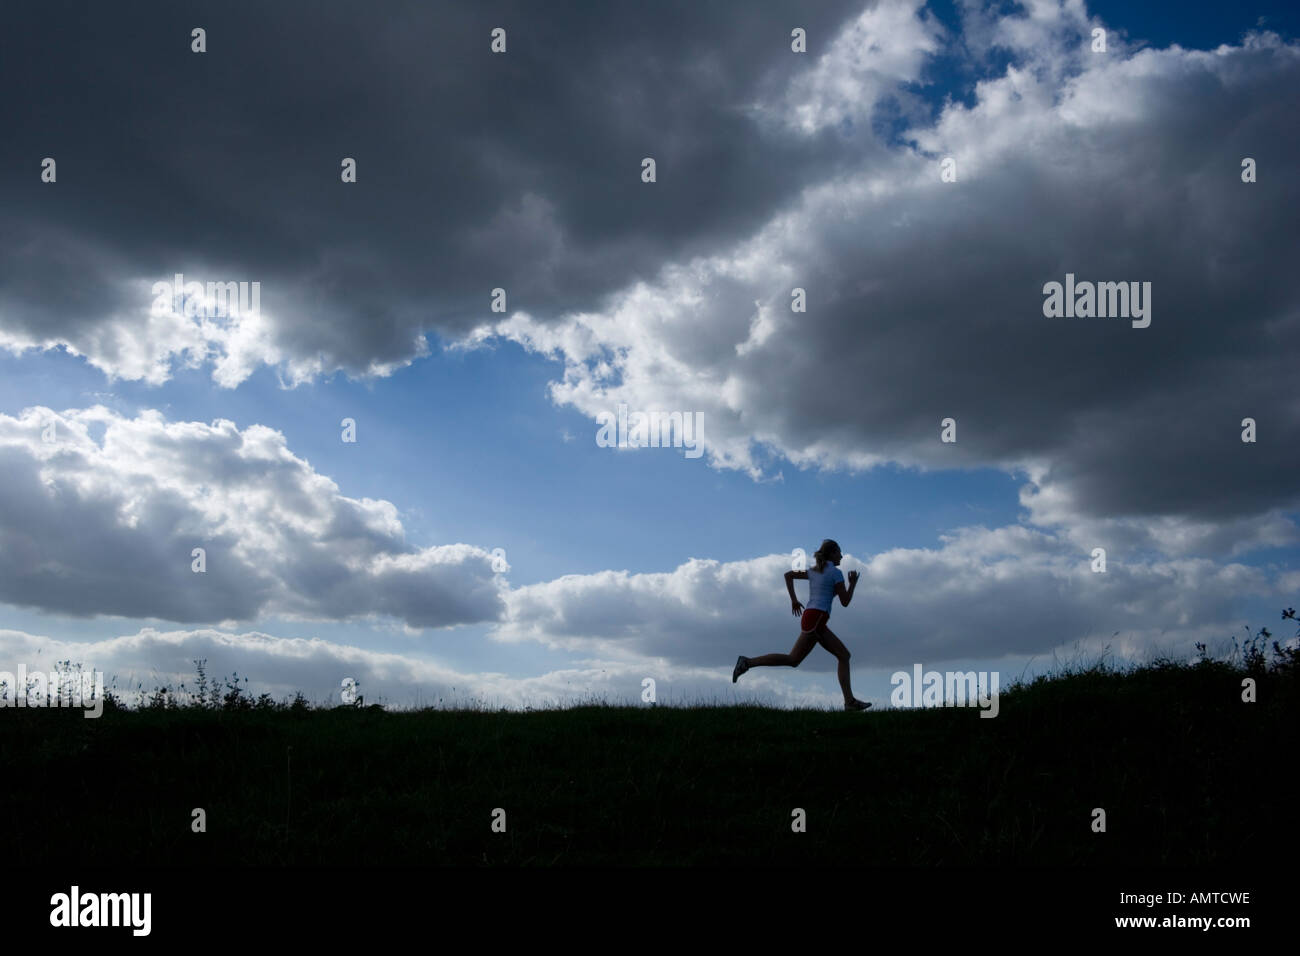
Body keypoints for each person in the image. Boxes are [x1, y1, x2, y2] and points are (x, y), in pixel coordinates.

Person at [733, 539, 871, 711]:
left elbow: (788, 575)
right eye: (839, 553)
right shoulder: (836, 573)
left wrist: (794, 600)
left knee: (795, 659)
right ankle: (849, 702)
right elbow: (845, 601)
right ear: (831, 554)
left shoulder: (813, 571)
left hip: (811, 617)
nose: (841, 556)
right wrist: (853, 584)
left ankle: (747, 663)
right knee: (842, 656)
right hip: (817, 619)